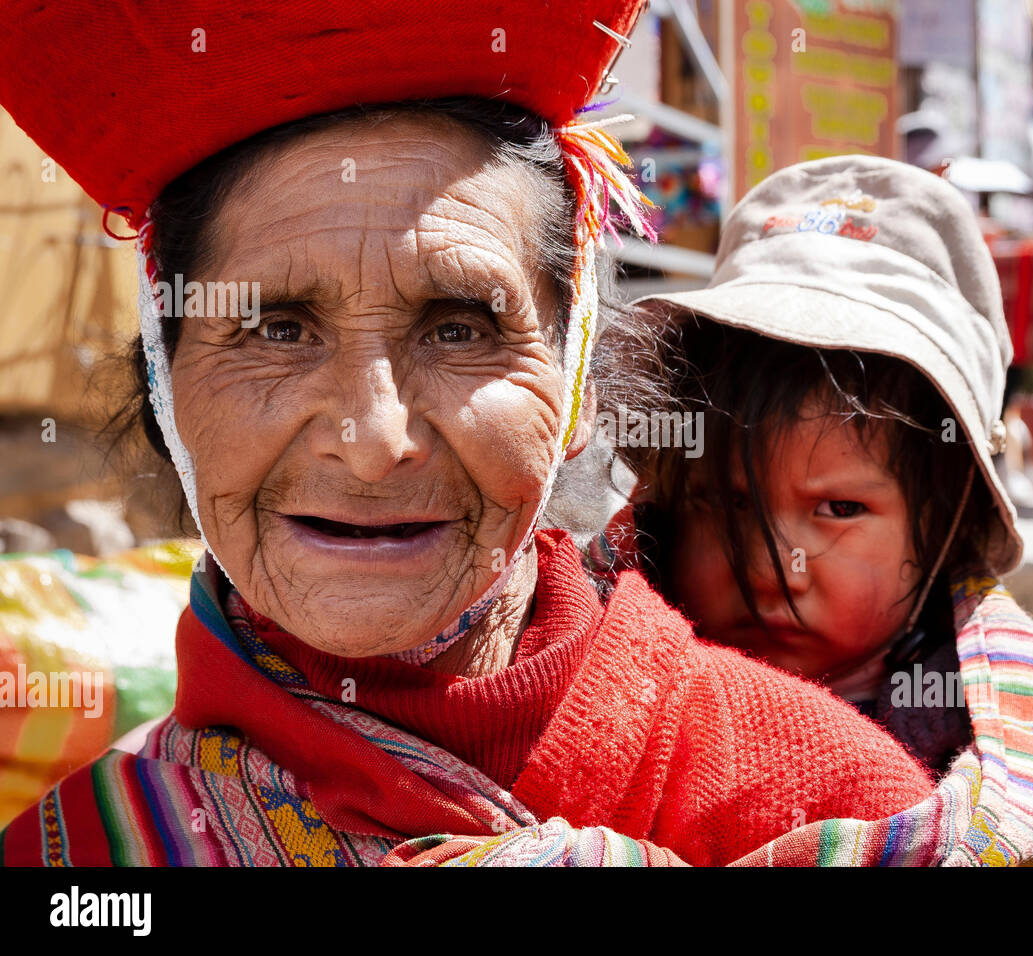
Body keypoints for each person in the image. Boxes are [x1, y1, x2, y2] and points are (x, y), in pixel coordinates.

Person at [0, 1, 936, 867]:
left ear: (574, 388)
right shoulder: (87, 854)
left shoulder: (838, 809)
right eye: (277, 328)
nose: (373, 441)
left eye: (459, 330)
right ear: (166, 389)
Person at [614, 155, 1033, 865]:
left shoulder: (998, 755)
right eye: (728, 502)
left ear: (950, 524)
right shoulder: (616, 688)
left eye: (839, 507)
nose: (773, 564)